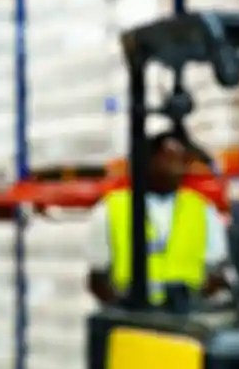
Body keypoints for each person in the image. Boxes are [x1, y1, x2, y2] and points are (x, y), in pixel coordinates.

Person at [86, 131, 229, 306]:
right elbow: (98, 277)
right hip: (131, 314)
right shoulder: (110, 208)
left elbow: (216, 272)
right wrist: (123, 308)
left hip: (187, 314)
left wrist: (194, 304)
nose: (178, 166)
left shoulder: (203, 208)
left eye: (181, 159)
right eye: (168, 158)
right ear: (146, 161)